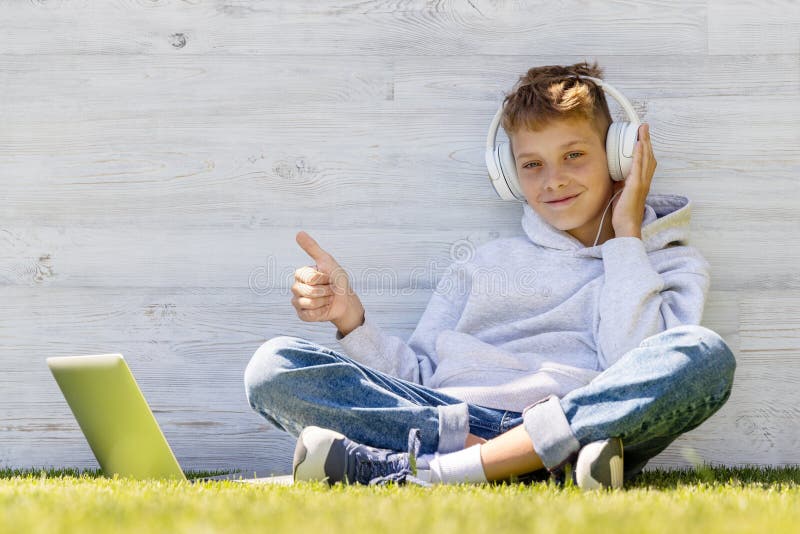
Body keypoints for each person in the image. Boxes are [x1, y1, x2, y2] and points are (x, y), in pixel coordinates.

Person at [243, 61, 736, 490]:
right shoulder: (480, 265)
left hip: (577, 420)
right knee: (272, 367)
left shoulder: (669, 263)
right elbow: (414, 378)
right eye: (532, 164)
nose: (554, 179)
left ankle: (424, 471)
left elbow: (630, 362)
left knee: (703, 356)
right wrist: (351, 319)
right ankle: (511, 466)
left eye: (574, 156)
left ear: (618, 156)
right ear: (509, 174)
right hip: (452, 420)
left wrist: (627, 237)